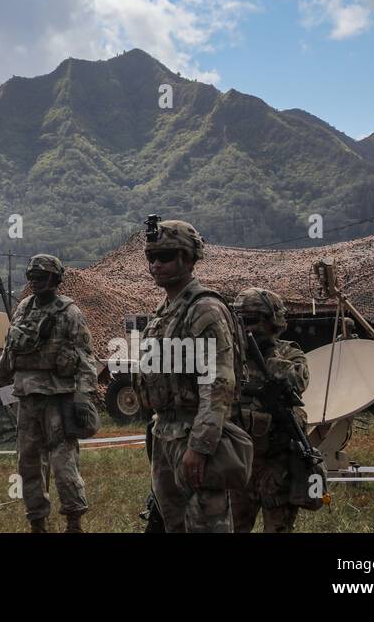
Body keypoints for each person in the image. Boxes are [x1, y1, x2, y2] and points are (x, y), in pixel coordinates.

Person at [135, 219, 252, 533]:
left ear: (188, 259)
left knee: (206, 524)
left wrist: (200, 447)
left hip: (193, 434)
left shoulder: (205, 309)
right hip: (165, 433)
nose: (156, 264)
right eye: (151, 257)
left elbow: (218, 384)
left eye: (166, 256)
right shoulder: (165, 311)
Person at [0, 254, 97, 532]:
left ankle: (74, 521)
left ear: (55, 279)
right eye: (32, 277)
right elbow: (10, 353)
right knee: (28, 464)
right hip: (26, 398)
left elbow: (85, 357)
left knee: (63, 464)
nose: (35, 282)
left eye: (41, 276)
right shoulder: (23, 309)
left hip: (58, 399)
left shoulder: (69, 313)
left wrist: (83, 398)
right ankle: (37, 520)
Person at [229, 287, 310, 533]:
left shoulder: (289, 353)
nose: (245, 327)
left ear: (272, 321)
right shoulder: (229, 355)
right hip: (237, 465)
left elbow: (297, 379)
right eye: (238, 320)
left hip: (277, 464)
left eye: (251, 320)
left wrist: (266, 357)